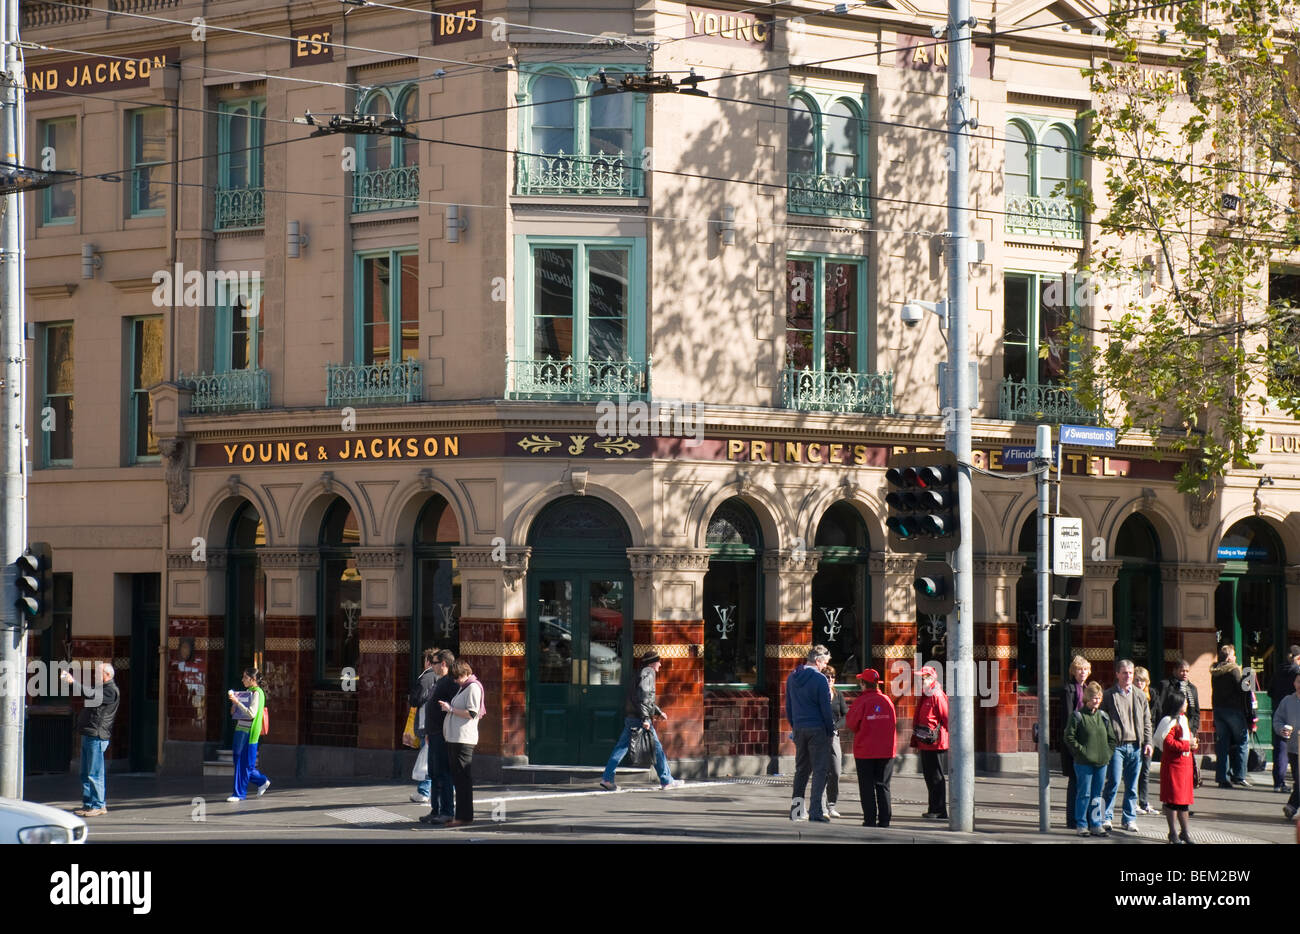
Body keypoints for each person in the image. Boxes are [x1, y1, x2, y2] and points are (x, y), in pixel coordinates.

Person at [599, 651, 680, 791]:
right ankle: (666, 780)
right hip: (639, 719)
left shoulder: (639, 673)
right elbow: (644, 697)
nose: (660, 664)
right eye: (658, 661)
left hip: (632, 717)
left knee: (621, 748)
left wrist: (658, 712)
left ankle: (607, 778)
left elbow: (642, 698)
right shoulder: (648, 672)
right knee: (657, 749)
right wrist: (645, 718)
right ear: (652, 662)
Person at [1101, 658, 1153, 833]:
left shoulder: (1139, 695)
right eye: (1124, 673)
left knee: (1132, 786)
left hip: (1136, 746)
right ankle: (1106, 817)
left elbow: (1147, 721)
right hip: (1117, 746)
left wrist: (1148, 742)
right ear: (1117, 674)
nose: (1128, 676)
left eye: (1130, 673)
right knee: (1113, 782)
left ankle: (1129, 819)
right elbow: (1102, 720)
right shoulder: (1108, 695)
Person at [62, 663, 119, 818]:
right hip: (89, 734)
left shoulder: (110, 691)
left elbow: (91, 694)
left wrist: (74, 682)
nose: (95, 676)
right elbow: (88, 693)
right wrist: (71, 683)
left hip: (97, 736)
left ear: (106, 675)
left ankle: (99, 805)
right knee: (85, 773)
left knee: (95, 773)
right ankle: (88, 804)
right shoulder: (102, 689)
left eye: (97, 673)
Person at [785, 645, 835, 822]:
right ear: (818, 660)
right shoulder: (820, 679)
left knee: (801, 771)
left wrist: (795, 726)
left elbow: (788, 708)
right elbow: (826, 710)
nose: (824, 666)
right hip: (818, 729)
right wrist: (830, 730)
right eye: (825, 663)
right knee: (820, 771)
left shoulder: (792, 677)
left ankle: (797, 811)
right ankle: (816, 812)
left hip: (799, 728)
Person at [1064, 681, 1118, 836]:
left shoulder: (1103, 716)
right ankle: (1081, 824)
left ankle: (1096, 824)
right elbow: (1069, 737)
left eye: (1099, 698)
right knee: (1084, 793)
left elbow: (1112, 739)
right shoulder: (1078, 716)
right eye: (1094, 697)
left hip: (1102, 762)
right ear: (1087, 698)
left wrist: (1107, 753)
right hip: (1083, 763)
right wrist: (1081, 751)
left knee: (1097, 794)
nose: (1097, 701)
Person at [846, 669, 897, 828]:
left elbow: (851, 724)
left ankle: (869, 819)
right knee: (883, 785)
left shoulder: (861, 701)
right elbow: (893, 723)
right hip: (886, 751)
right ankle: (884, 820)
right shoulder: (887, 700)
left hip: (865, 751)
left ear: (863, 684)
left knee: (867, 786)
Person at [438, 660, 483, 827]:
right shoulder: (465, 687)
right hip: (455, 738)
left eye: (457, 677)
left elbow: (472, 713)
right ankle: (463, 816)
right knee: (459, 778)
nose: (456, 681)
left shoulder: (472, 687)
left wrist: (450, 709)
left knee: (462, 779)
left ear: (465, 673)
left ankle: (464, 817)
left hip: (463, 739)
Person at [419, 649, 457, 824]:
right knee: (434, 773)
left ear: (443, 664)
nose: (431, 666)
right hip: (433, 734)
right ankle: (436, 810)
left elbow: (454, 708)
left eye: (434, 663)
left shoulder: (450, 683)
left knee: (444, 773)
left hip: (443, 735)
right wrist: (427, 732)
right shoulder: (439, 681)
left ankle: (447, 810)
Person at [1155, 691, 1198, 843]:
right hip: (1173, 766)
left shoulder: (1184, 720)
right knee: (1173, 801)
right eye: (1184, 702)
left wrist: (1193, 745)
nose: (1186, 704)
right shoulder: (1169, 721)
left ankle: (1185, 832)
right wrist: (1188, 745)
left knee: (1184, 802)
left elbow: (1186, 741)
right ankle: (1172, 833)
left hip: (1185, 766)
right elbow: (1168, 743)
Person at [1210, 644, 1254, 788]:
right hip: (1233, 710)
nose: (1235, 658)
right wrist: (1247, 682)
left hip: (1218, 710)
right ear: (1229, 657)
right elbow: (1241, 690)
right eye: (1234, 655)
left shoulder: (1215, 672)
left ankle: (1222, 777)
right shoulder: (1234, 670)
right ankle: (1239, 775)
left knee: (1223, 744)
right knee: (1242, 741)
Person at [226, 668, 270, 802]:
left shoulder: (257, 693)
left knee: (243, 763)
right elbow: (235, 713)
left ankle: (239, 794)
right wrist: (234, 704)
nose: (242, 680)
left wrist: (237, 702)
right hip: (241, 729)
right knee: (241, 762)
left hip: (249, 733)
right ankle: (262, 781)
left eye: (245, 677)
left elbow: (251, 713)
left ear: (253, 679)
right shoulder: (248, 692)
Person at [912, 665, 949, 820]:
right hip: (926, 742)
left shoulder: (937, 695)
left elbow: (947, 718)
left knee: (936, 777)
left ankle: (939, 810)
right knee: (929, 776)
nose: (921, 680)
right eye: (920, 678)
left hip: (936, 742)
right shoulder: (926, 694)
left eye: (924, 678)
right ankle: (933, 808)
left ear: (932, 678)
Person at [1060, 655, 1092, 828]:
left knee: (1084, 781)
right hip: (1073, 742)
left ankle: (1083, 817)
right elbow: (1068, 717)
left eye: (1085, 669)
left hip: (1086, 741)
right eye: (1079, 669)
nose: (1083, 672)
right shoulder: (1069, 689)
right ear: (1073, 671)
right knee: (1074, 780)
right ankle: (1072, 819)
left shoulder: (1088, 689)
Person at [405, 648, 440, 804]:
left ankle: (424, 790)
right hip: (436, 724)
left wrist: (412, 697)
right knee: (436, 758)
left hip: (425, 723)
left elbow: (416, 699)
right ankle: (448, 787)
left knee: (427, 758)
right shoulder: (443, 677)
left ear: (427, 661)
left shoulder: (426, 677)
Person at [1268, 646, 1300, 793]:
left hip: (1279, 712)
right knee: (1292, 750)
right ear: (1297, 658)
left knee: (1280, 748)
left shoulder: (1278, 670)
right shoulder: (1297, 672)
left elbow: (1270, 691)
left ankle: (1278, 782)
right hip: (1294, 711)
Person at [1273, 672, 1300, 821]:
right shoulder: (1287, 701)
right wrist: (1281, 729)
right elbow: (1277, 719)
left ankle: (1292, 806)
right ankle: (1292, 806)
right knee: (1298, 778)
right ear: (1294, 683)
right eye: (1298, 682)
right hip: (1294, 748)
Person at [1134, 666, 1158, 815]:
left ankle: (1144, 801)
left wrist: (1150, 738)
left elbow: (1155, 716)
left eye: (1143, 680)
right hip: (1135, 737)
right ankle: (1133, 801)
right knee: (1135, 770)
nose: (1140, 683)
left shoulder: (1152, 695)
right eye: (1137, 680)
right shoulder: (1131, 695)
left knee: (1146, 771)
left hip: (1148, 737)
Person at [824, 665, 848, 818]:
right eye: (827, 677)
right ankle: (820, 806)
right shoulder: (818, 693)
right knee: (820, 771)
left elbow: (846, 715)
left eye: (832, 677)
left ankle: (831, 804)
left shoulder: (838, 695)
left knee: (836, 771)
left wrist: (836, 726)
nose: (830, 680)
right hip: (819, 735)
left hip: (833, 735)